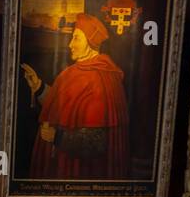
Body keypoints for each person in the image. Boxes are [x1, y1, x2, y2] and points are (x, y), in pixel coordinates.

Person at [20, 12, 129, 180]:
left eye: (76, 38)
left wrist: (57, 136)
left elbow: (96, 142)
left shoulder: (99, 79)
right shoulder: (74, 72)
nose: (70, 44)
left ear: (91, 43)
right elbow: (65, 105)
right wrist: (39, 86)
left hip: (80, 171)